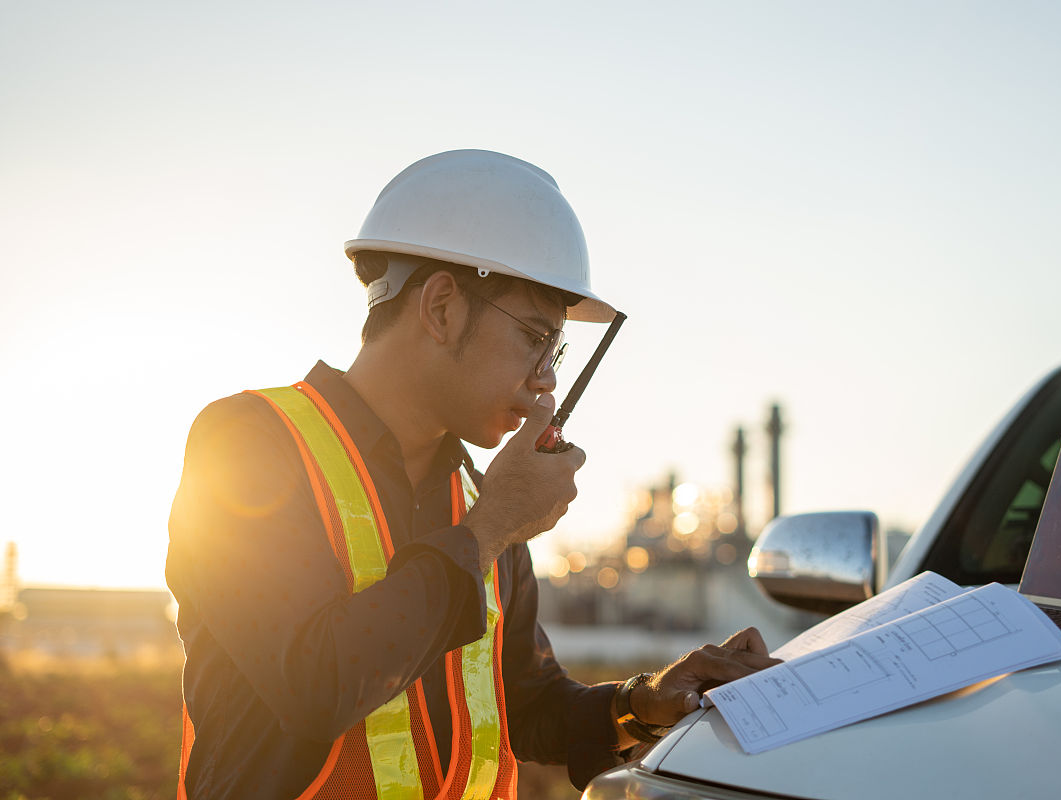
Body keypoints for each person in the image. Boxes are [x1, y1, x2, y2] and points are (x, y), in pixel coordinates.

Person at [166, 149, 778, 800]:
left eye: (558, 351)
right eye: (534, 339)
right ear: (441, 308)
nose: (547, 379)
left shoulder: (474, 497)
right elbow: (314, 684)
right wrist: (488, 531)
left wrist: (643, 702)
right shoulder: (248, 443)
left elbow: (525, 705)